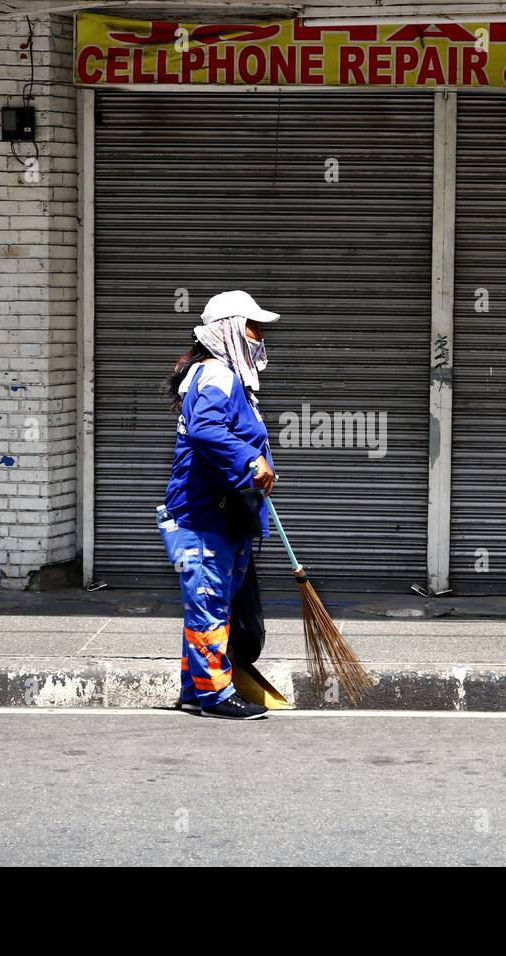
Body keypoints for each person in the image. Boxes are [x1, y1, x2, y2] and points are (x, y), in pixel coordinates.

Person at [158, 290, 279, 720]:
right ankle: (213, 696)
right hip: (203, 516)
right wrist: (251, 460)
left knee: (210, 605)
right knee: (209, 603)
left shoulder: (224, 377)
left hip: (220, 515)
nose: (260, 336)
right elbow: (207, 431)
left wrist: (258, 470)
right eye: (253, 326)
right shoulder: (217, 376)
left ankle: (196, 690)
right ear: (227, 329)